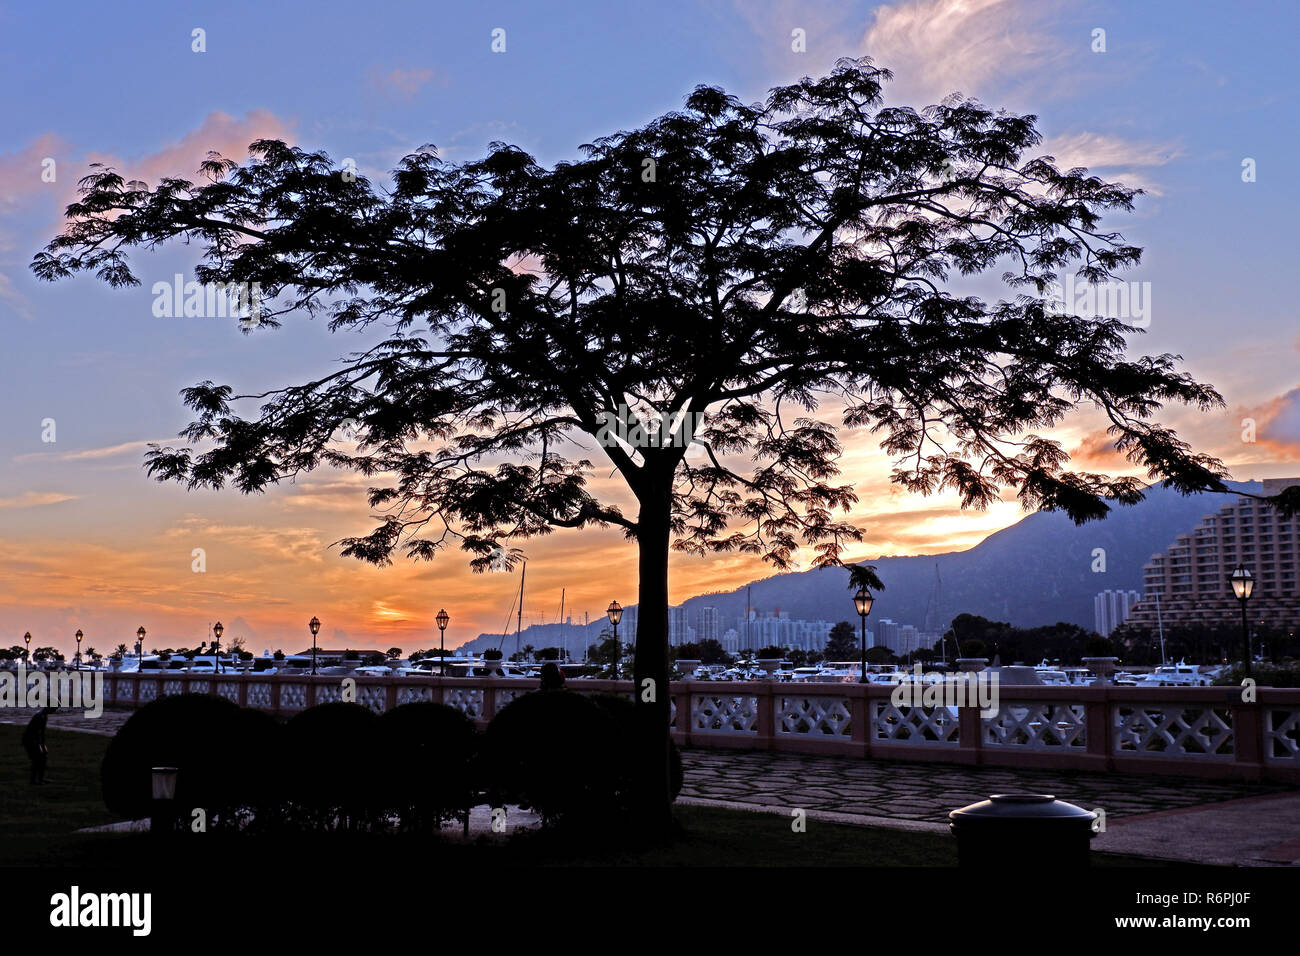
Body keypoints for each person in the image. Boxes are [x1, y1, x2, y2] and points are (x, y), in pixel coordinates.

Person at [22, 706, 55, 785]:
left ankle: (40, 779)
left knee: (43, 757)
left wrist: (43, 745)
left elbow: (42, 732)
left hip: (36, 740)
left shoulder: (44, 716)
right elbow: (33, 732)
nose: (54, 711)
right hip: (30, 740)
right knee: (37, 759)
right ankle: (33, 780)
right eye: (54, 708)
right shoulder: (39, 716)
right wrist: (38, 744)